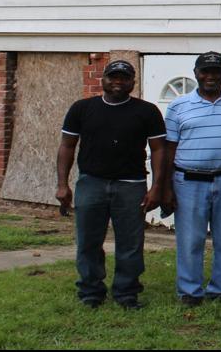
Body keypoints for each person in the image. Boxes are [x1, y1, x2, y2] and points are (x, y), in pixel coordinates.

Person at [54, 59, 167, 310]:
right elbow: (67, 146)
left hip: (131, 184)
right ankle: (91, 292)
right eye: (113, 77)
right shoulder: (82, 109)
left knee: (130, 242)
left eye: (124, 78)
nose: (118, 82)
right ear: (103, 79)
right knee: (88, 241)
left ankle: (126, 293)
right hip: (91, 183)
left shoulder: (147, 111)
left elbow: (159, 149)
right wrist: (62, 184)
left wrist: (156, 187)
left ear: (132, 82)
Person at [155, 51, 221, 306]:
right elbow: (169, 148)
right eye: (205, 71)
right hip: (188, 181)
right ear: (196, 73)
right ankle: (190, 291)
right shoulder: (178, 106)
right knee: (190, 239)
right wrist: (166, 187)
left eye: (216, 72)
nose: (211, 77)